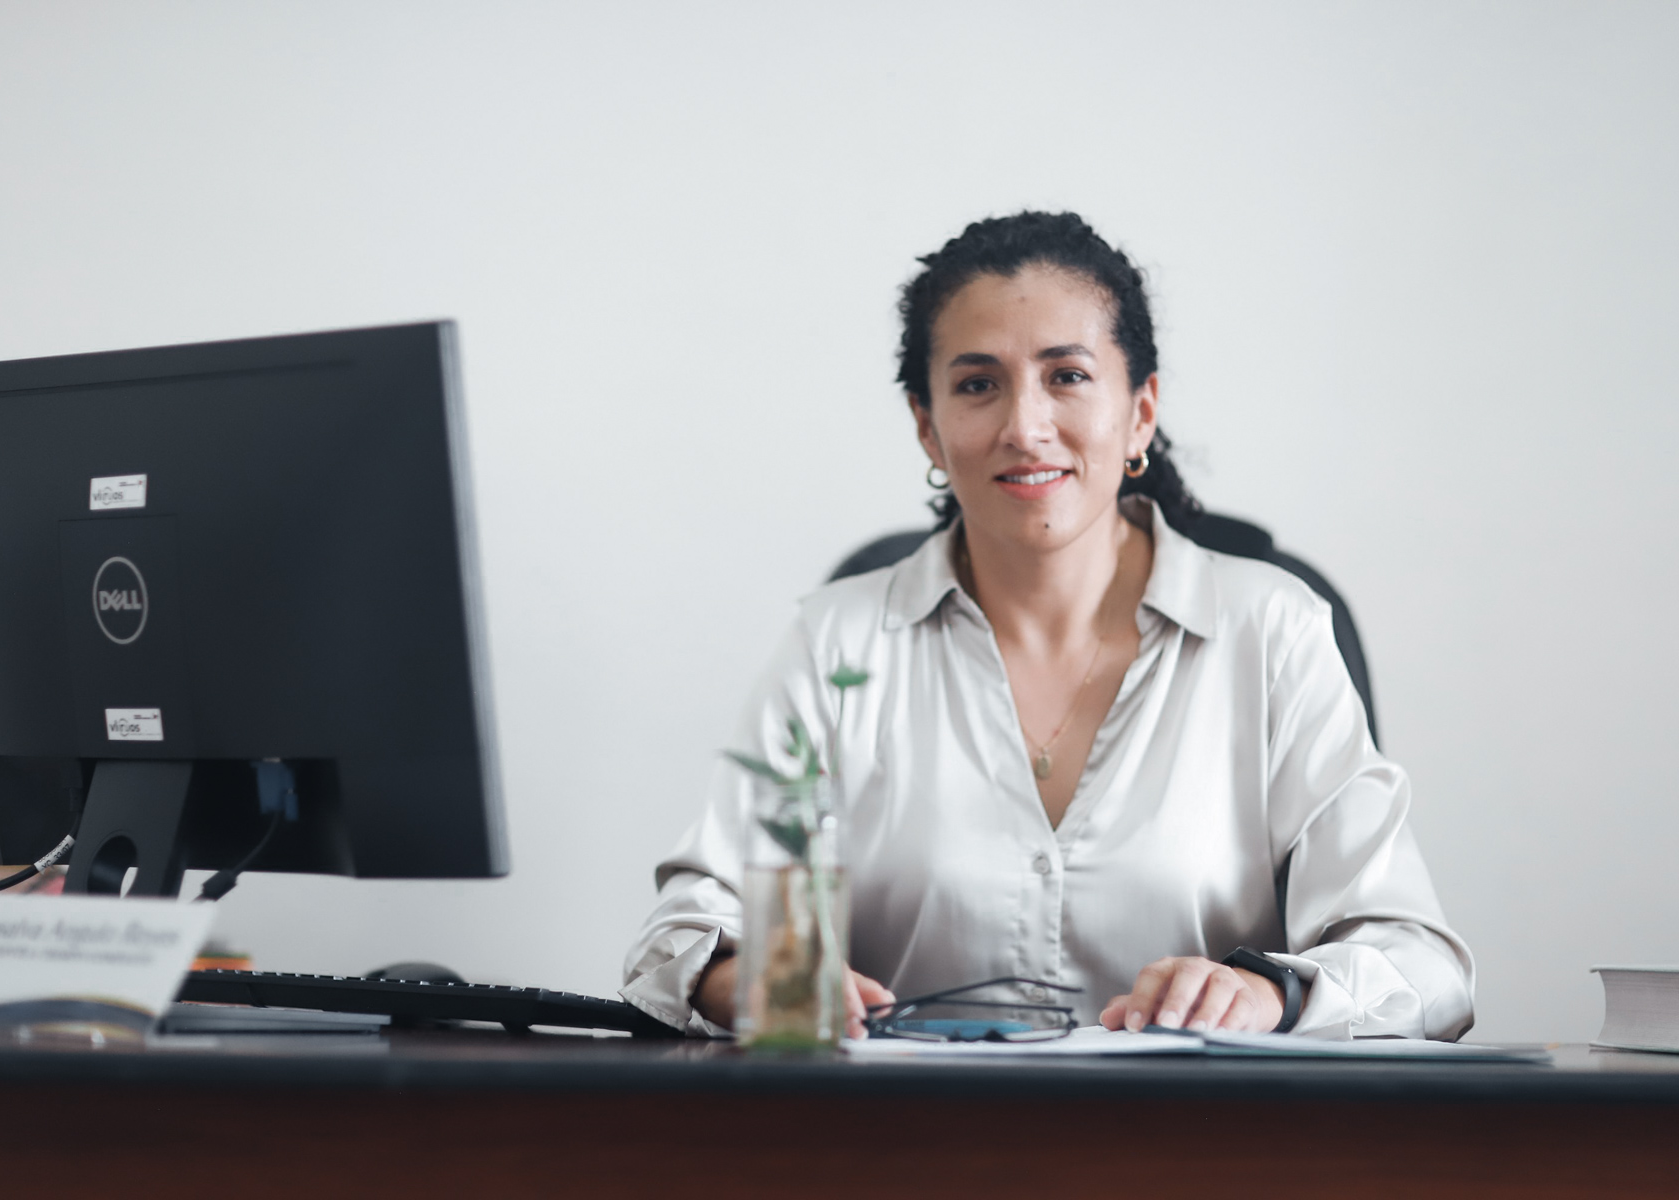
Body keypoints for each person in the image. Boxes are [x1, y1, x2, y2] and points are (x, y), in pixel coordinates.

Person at [623, 211, 1474, 1041]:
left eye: (1066, 375)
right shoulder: (840, 641)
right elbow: (681, 937)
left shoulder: (1271, 630)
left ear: (1140, 410)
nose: (1025, 429)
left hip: (1203, 1157)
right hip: (906, 1158)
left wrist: (1269, 994)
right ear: (928, 423)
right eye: (977, 384)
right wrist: (755, 980)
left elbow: (1423, 970)